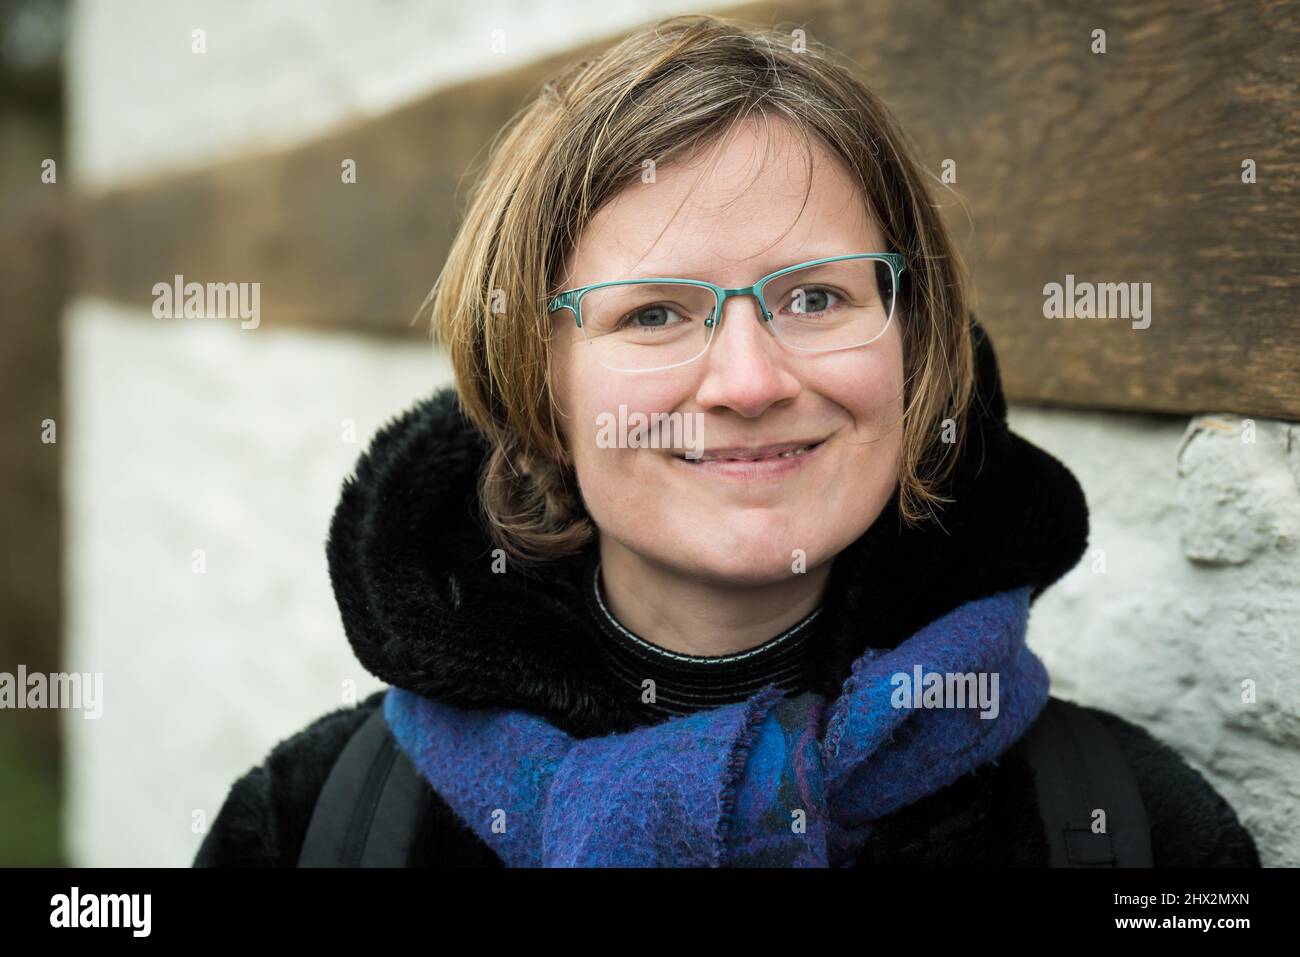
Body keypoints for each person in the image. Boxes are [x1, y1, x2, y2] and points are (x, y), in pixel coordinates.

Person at [193, 13, 1259, 868]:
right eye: (653, 313)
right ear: (537, 378)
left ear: (912, 349)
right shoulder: (315, 827)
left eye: (816, 297)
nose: (749, 383)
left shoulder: (1127, 832)